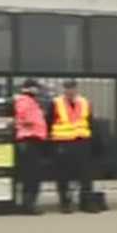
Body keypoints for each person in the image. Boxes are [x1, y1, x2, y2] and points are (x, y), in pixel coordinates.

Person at [48, 79, 95, 214]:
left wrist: (91, 140)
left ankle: (86, 203)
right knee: (63, 175)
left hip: (81, 142)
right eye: (67, 88)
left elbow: (90, 122)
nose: (70, 91)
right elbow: (49, 121)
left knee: (85, 174)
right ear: (64, 89)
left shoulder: (85, 102)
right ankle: (65, 203)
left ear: (76, 89)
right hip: (63, 143)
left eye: (72, 88)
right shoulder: (56, 103)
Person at [13, 78, 48, 215]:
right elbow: (24, 119)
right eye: (36, 88)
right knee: (31, 175)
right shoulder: (24, 100)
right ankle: (28, 205)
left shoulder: (31, 101)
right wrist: (33, 122)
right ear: (30, 88)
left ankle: (29, 203)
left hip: (34, 141)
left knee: (32, 175)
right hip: (29, 140)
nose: (38, 90)